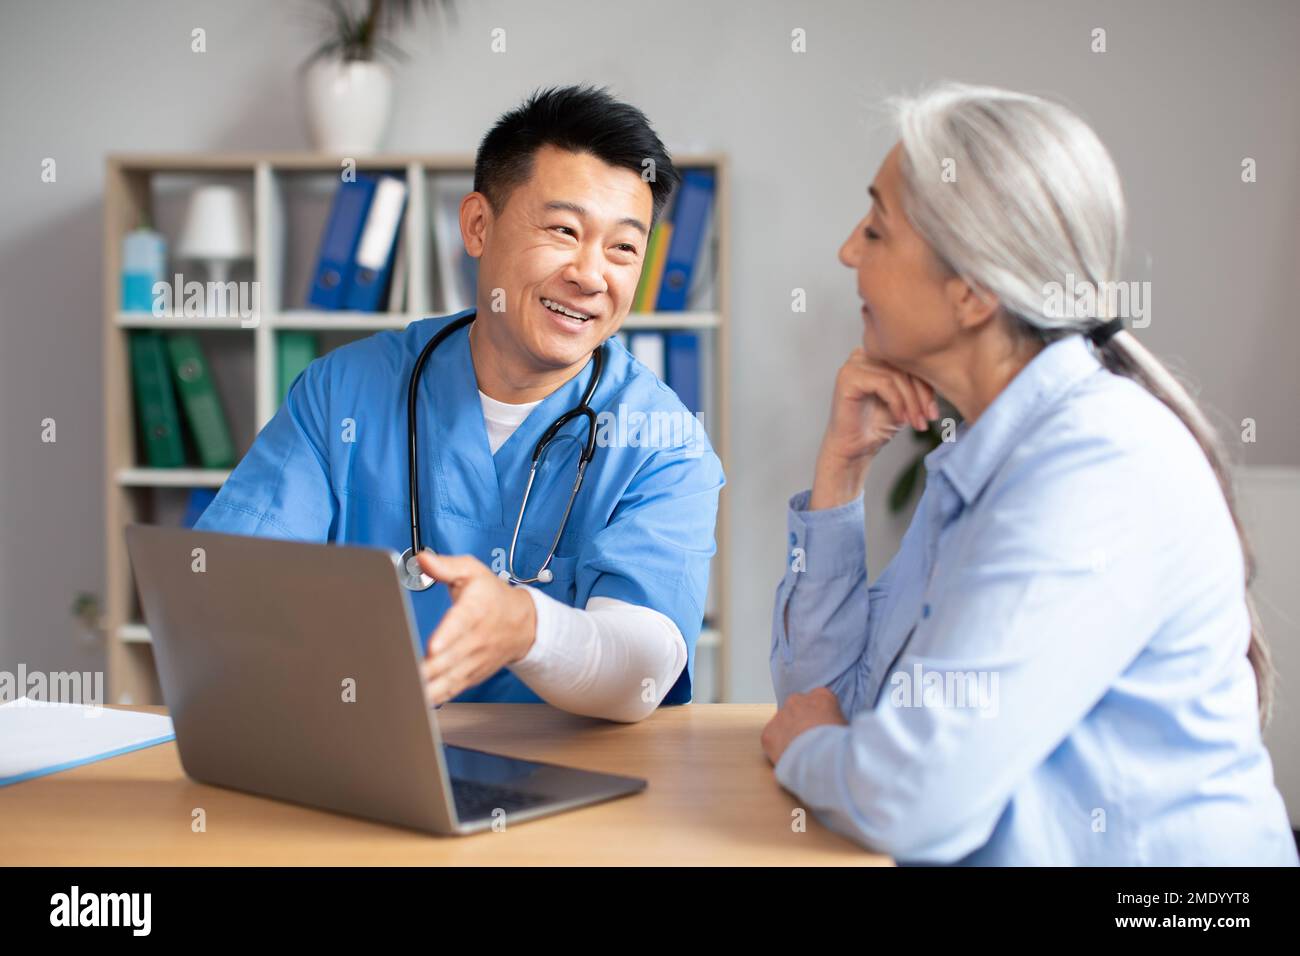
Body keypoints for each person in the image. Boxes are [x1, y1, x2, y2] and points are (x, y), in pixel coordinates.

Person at [761, 82, 1297, 865]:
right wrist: (839, 479)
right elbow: (829, 701)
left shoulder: (1095, 465)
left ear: (972, 292)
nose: (848, 251)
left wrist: (812, 750)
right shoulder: (987, 463)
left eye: (876, 230)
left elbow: (911, 798)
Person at [196, 86, 723, 722]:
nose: (591, 275)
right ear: (477, 224)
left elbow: (642, 668)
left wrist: (526, 628)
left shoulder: (662, 440)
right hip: (364, 756)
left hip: (569, 784)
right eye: (563, 230)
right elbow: (224, 587)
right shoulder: (343, 394)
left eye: (623, 248)